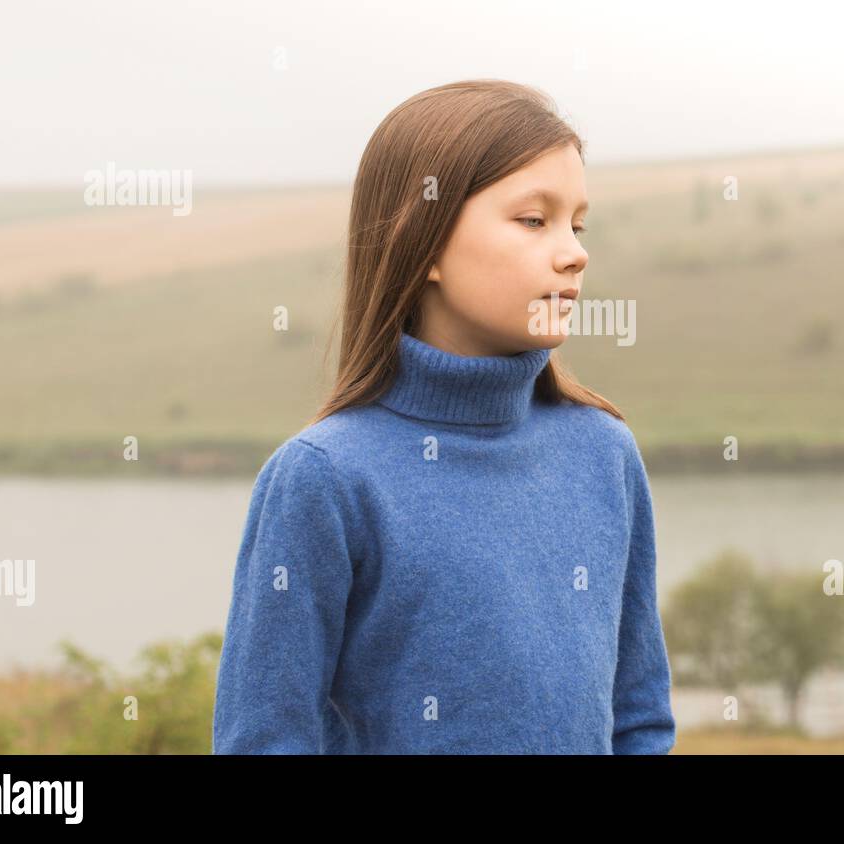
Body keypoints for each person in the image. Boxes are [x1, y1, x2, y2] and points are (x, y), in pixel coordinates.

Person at [212, 79, 676, 754]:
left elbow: (638, 720)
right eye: (533, 220)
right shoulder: (324, 480)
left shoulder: (604, 453)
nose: (575, 252)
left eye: (578, 224)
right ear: (422, 241)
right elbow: (265, 740)